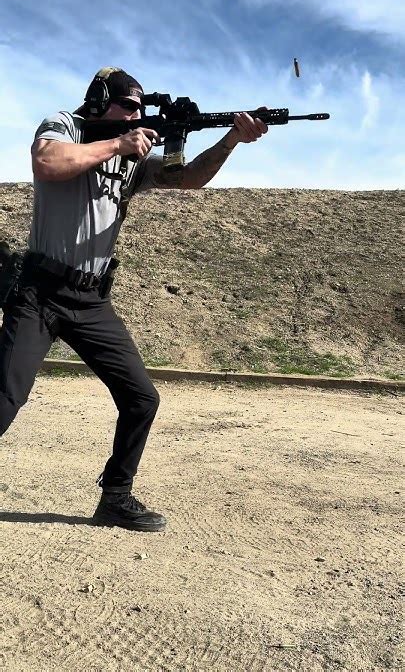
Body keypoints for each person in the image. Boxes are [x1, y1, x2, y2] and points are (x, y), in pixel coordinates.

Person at [0, 66, 268, 532]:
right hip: (40, 292)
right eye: (129, 106)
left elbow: (186, 179)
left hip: (90, 301)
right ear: (102, 101)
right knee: (4, 397)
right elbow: (46, 163)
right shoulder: (65, 125)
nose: (137, 116)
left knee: (141, 398)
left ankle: (116, 498)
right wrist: (119, 144)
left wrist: (229, 141)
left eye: (142, 111)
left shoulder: (133, 161)